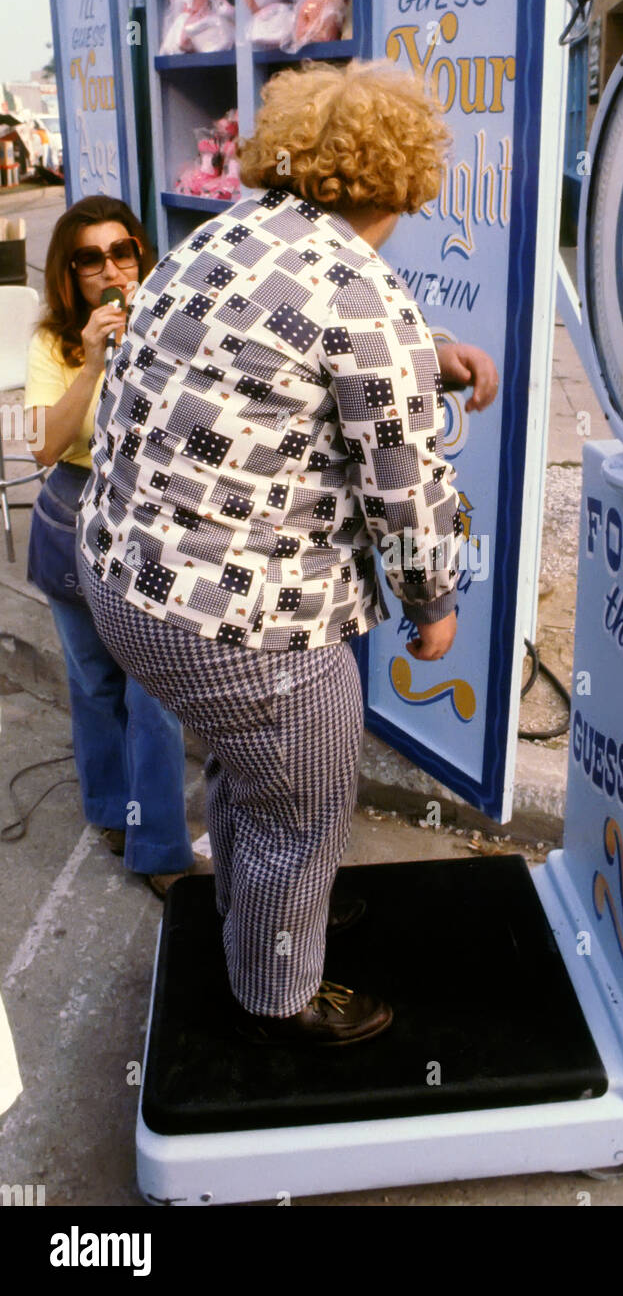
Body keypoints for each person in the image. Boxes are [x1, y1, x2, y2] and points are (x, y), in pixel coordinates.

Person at [75, 59, 498, 1047]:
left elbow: (279, 338)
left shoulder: (222, 235)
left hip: (124, 576)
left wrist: (420, 349)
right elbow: (406, 484)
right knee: (305, 792)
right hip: (231, 615)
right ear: (403, 183)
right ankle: (278, 992)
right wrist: (435, 604)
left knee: (253, 759)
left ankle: (258, 900)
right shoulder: (364, 292)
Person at [23, 195, 209, 898]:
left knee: (153, 690)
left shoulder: (173, 327)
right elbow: (42, 442)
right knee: (93, 683)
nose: (110, 269)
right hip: (74, 511)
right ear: (69, 273)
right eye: (89, 258)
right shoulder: (54, 343)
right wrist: (93, 359)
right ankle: (109, 811)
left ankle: (159, 847)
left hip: (150, 520)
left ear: (142, 256)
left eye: (122, 252)